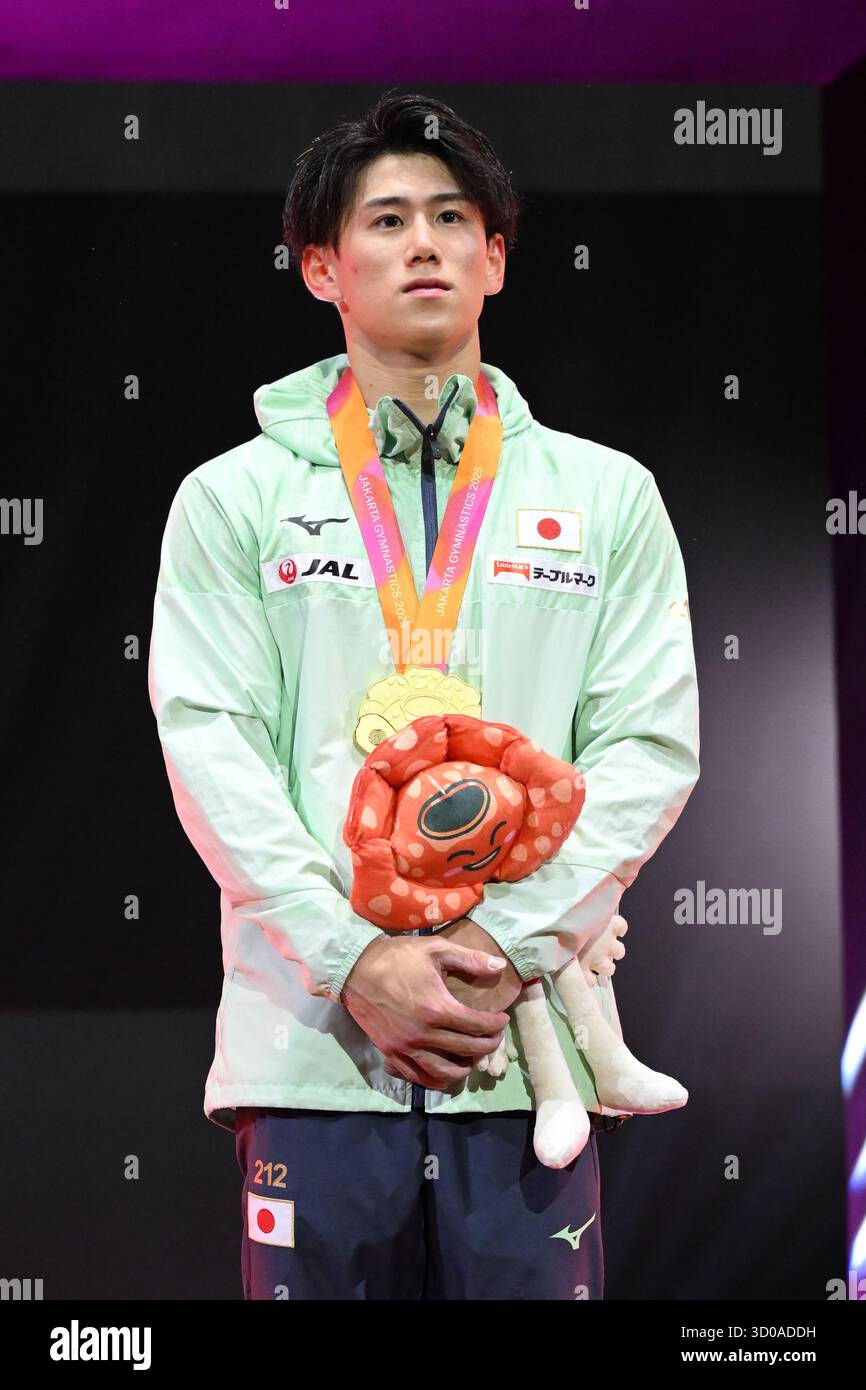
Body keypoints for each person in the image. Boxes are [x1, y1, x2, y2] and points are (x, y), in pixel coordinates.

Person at [147, 88, 700, 1301]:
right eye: (385, 219)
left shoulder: (607, 496)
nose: (423, 243)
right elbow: (212, 746)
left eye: (452, 218)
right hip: (312, 1046)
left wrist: (506, 941)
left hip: (524, 1044)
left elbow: (648, 749)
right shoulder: (231, 498)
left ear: (494, 258)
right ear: (319, 268)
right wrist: (354, 959)